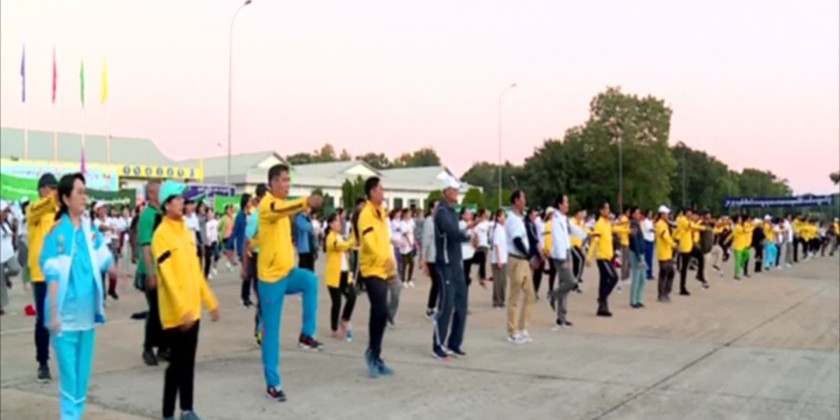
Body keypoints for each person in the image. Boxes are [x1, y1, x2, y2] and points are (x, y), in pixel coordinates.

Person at [40, 173, 112, 419]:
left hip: (87, 320)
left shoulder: (91, 231)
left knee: (81, 381)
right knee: (69, 381)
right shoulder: (56, 233)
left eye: (85, 191)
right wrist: (52, 314)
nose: (84, 196)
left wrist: (115, 271)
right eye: (79, 192)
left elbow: (104, 259)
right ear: (65, 198)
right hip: (64, 321)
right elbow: (52, 275)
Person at [152, 181, 220, 420]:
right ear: (166, 204)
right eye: (177, 199)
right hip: (175, 314)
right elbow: (168, 276)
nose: (182, 202)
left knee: (188, 363)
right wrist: (182, 309)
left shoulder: (185, 231)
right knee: (176, 366)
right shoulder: (161, 235)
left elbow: (195, 272)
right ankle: (168, 413)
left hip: (193, 311)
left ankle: (187, 409)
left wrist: (210, 302)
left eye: (182, 198)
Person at [256, 164, 324, 401]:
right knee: (272, 333)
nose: (287, 185)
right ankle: (272, 384)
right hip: (271, 280)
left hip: (287, 273)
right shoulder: (268, 205)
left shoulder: (281, 210)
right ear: (273, 182)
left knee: (311, 280)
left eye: (289, 180)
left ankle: (307, 333)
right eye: (284, 180)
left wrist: (252, 243)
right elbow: (279, 210)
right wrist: (306, 202)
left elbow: (266, 234)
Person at [357, 176, 397, 377]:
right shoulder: (366, 214)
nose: (383, 192)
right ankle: (372, 353)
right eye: (380, 189)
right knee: (379, 309)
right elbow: (369, 242)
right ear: (372, 192)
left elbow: (384, 240)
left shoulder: (381, 213)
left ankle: (376, 354)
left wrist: (391, 262)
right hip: (371, 268)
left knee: (382, 313)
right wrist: (383, 259)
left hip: (384, 268)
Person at [431, 176, 472, 360]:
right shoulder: (441, 212)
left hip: (457, 264)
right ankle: (438, 344)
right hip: (445, 264)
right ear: (446, 191)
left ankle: (454, 343)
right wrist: (468, 237)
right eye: (454, 190)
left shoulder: (452, 211)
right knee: (446, 305)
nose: (457, 194)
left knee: (461, 305)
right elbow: (452, 233)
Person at [28, 173, 60, 382]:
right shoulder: (33, 210)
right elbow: (39, 209)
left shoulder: (59, 213)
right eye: (50, 188)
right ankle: (43, 362)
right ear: (42, 190)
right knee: (43, 320)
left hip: (59, 273)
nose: (53, 192)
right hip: (40, 275)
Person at [137, 180, 170, 366]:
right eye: (160, 191)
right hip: (150, 269)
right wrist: (151, 273)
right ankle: (148, 348)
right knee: (155, 311)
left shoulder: (162, 214)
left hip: (164, 270)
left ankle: (164, 348)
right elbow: (146, 246)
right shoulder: (148, 216)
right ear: (151, 194)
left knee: (165, 311)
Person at [549, 194, 586, 328]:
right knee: (571, 282)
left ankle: (561, 317)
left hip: (567, 252)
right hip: (560, 256)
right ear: (560, 204)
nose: (568, 205)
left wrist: (585, 236)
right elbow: (558, 239)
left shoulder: (565, 219)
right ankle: (552, 295)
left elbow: (574, 230)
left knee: (564, 284)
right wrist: (563, 258)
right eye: (566, 202)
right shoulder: (556, 220)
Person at [505, 190, 536, 343]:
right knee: (515, 296)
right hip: (516, 259)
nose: (525, 201)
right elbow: (517, 240)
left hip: (524, 261)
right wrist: (529, 256)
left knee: (530, 295)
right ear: (516, 201)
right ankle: (512, 330)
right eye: (523, 198)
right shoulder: (511, 219)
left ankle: (524, 328)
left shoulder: (521, 219)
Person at [323, 213, 357, 341]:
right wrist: (351, 242)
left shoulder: (341, 236)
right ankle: (334, 329)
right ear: (331, 224)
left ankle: (345, 318)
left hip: (344, 273)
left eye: (340, 221)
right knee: (336, 302)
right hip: (334, 275)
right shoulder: (331, 238)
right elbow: (341, 246)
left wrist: (354, 232)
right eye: (337, 221)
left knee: (352, 296)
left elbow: (349, 244)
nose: (339, 223)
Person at [242, 184, 268, 345]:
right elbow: (247, 242)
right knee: (262, 298)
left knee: (267, 298)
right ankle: (259, 331)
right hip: (257, 260)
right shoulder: (255, 217)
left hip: (268, 260)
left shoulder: (268, 216)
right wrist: (245, 267)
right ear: (259, 198)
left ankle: (263, 330)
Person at [586, 201, 618, 317]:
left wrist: (628, 230)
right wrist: (589, 257)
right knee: (613, 277)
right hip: (602, 257)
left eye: (608, 209)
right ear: (601, 211)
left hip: (608, 256)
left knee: (604, 281)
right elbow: (595, 241)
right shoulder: (599, 224)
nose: (608, 211)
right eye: (606, 209)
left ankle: (602, 308)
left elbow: (615, 230)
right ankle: (602, 298)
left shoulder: (607, 223)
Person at [420, 200, 440, 319]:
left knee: (439, 284)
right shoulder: (429, 222)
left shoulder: (438, 221)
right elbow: (426, 241)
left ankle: (435, 306)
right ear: (432, 209)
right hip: (432, 257)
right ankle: (430, 308)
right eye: (436, 207)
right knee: (436, 283)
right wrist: (423, 259)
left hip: (440, 256)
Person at [1, 200, 21, 316]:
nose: (5, 214)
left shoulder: (6, 223)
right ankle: (1, 306)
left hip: (9, 254)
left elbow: (17, 217)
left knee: (16, 269)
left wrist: (11, 209)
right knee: (0, 286)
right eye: (3, 212)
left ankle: (5, 277)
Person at [232, 194, 252, 306]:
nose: (250, 203)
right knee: (247, 272)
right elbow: (235, 232)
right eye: (249, 201)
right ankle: (244, 297)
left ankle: (246, 296)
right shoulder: (240, 216)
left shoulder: (249, 215)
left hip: (249, 246)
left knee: (248, 273)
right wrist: (230, 247)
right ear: (245, 202)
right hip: (242, 247)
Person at [654, 206, 676, 302]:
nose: (668, 216)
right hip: (663, 253)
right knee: (664, 273)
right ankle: (661, 294)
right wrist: (673, 244)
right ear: (662, 214)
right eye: (666, 214)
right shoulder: (660, 224)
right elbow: (665, 236)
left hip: (668, 252)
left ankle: (666, 292)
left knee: (670, 272)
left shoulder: (665, 224)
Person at [628, 207, 647, 308]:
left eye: (639, 213)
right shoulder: (633, 225)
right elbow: (634, 242)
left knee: (643, 278)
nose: (638, 215)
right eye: (636, 213)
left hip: (641, 253)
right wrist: (639, 257)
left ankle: (639, 299)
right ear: (632, 214)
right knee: (636, 277)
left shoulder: (638, 224)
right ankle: (633, 300)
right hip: (636, 253)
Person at [489, 209, 507, 308]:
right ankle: (498, 301)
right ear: (498, 218)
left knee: (503, 281)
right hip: (497, 259)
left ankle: (500, 300)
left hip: (504, 258)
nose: (504, 218)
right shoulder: (497, 229)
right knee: (498, 281)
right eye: (502, 216)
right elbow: (496, 245)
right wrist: (499, 259)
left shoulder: (503, 228)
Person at [642, 210, 656, 280]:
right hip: (647, 241)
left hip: (651, 241)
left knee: (650, 259)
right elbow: (650, 229)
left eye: (651, 214)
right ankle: (646, 273)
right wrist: (657, 230)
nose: (650, 215)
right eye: (649, 214)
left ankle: (650, 273)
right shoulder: (646, 222)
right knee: (647, 258)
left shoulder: (651, 222)